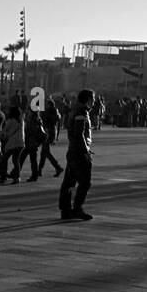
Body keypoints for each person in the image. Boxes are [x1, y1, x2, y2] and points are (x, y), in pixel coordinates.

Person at [58, 89, 95, 221]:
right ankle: (77, 209)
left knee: (69, 182)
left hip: (72, 151)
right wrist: (85, 151)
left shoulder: (75, 110)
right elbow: (79, 134)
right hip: (79, 153)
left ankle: (65, 210)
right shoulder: (82, 112)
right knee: (85, 182)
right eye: (93, 98)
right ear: (88, 99)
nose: (94, 101)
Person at [0, 107, 25, 184]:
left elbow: (3, 130)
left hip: (13, 143)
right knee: (16, 160)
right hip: (21, 143)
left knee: (4, 159)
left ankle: (3, 176)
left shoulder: (11, 121)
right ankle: (17, 177)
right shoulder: (21, 121)